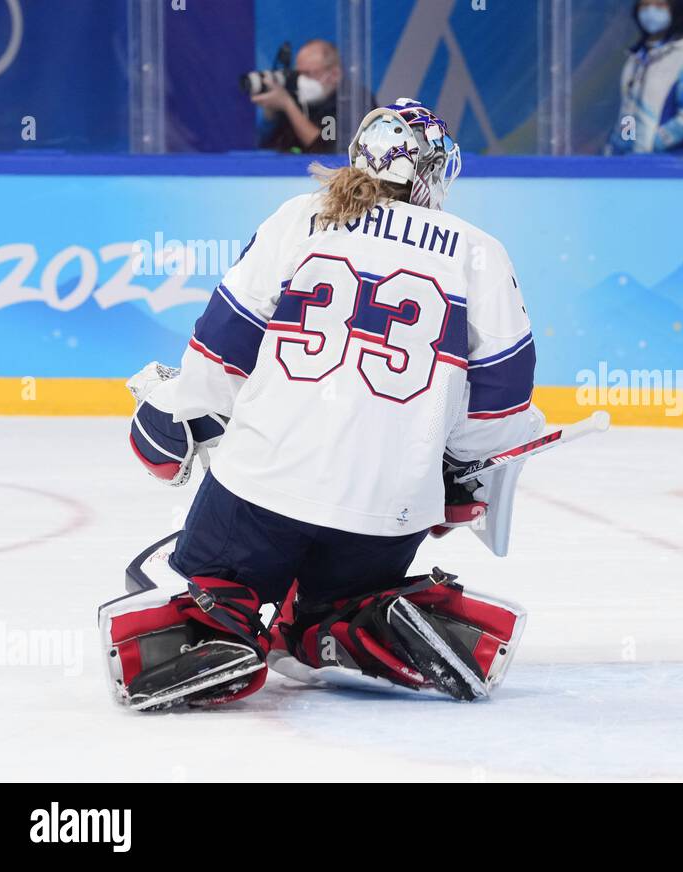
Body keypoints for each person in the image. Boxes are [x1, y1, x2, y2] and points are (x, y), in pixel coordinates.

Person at [100, 99, 541, 709]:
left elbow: (217, 360)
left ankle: (212, 622)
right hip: (389, 511)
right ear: (428, 171)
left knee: (214, 579)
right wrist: (450, 469)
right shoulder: (478, 250)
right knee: (340, 600)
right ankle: (359, 624)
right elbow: (503, 407)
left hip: (263, 488)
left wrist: (178, 410)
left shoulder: (300, 218)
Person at [606, 0, 683, 155]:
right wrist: (622, 148)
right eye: (645, 5)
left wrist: (653, 144)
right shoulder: (636, 59)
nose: (651, 12)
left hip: (671, 166)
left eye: (660, 6)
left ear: (674, 9)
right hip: (634, 165)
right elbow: (629, 110)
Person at [255, 39, 345, 153]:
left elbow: (325, 150)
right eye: (298, 73)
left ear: (335, 74)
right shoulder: (295, 96)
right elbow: (265, 144)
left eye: (308, 74)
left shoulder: (353, 102)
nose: (300, 80)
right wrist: (270, 114)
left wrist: (288, 106)